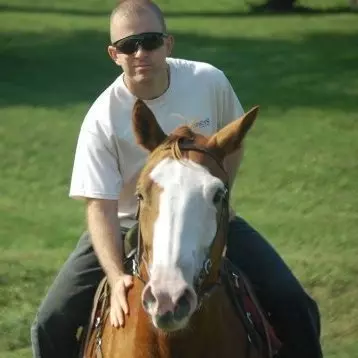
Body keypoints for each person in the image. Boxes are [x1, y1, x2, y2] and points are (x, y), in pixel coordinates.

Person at [30, 1, 323, 357]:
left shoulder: (208, 81)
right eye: (128, 45)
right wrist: (115, 274)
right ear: (114, 54)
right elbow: (99, 207)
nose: (141, 52)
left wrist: (216, 203)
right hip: (126, 224)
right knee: (49, 321)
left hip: (204, 214)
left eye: (151, 41)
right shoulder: (102, 119)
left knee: (294, 302)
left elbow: (231, 146)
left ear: (168, 44)